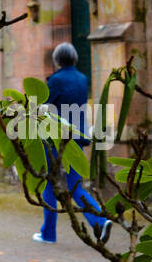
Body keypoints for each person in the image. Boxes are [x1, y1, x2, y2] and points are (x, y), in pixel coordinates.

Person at [34, 43, 113, 245]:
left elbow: (44, 107)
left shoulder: (56, 79)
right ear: (75, 59)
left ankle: (48, 234)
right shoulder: (82, 78)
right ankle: (101, 220)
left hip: (56, 138)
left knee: (50, 184)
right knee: (75, 185)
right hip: (76, 136)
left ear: (57, 60)